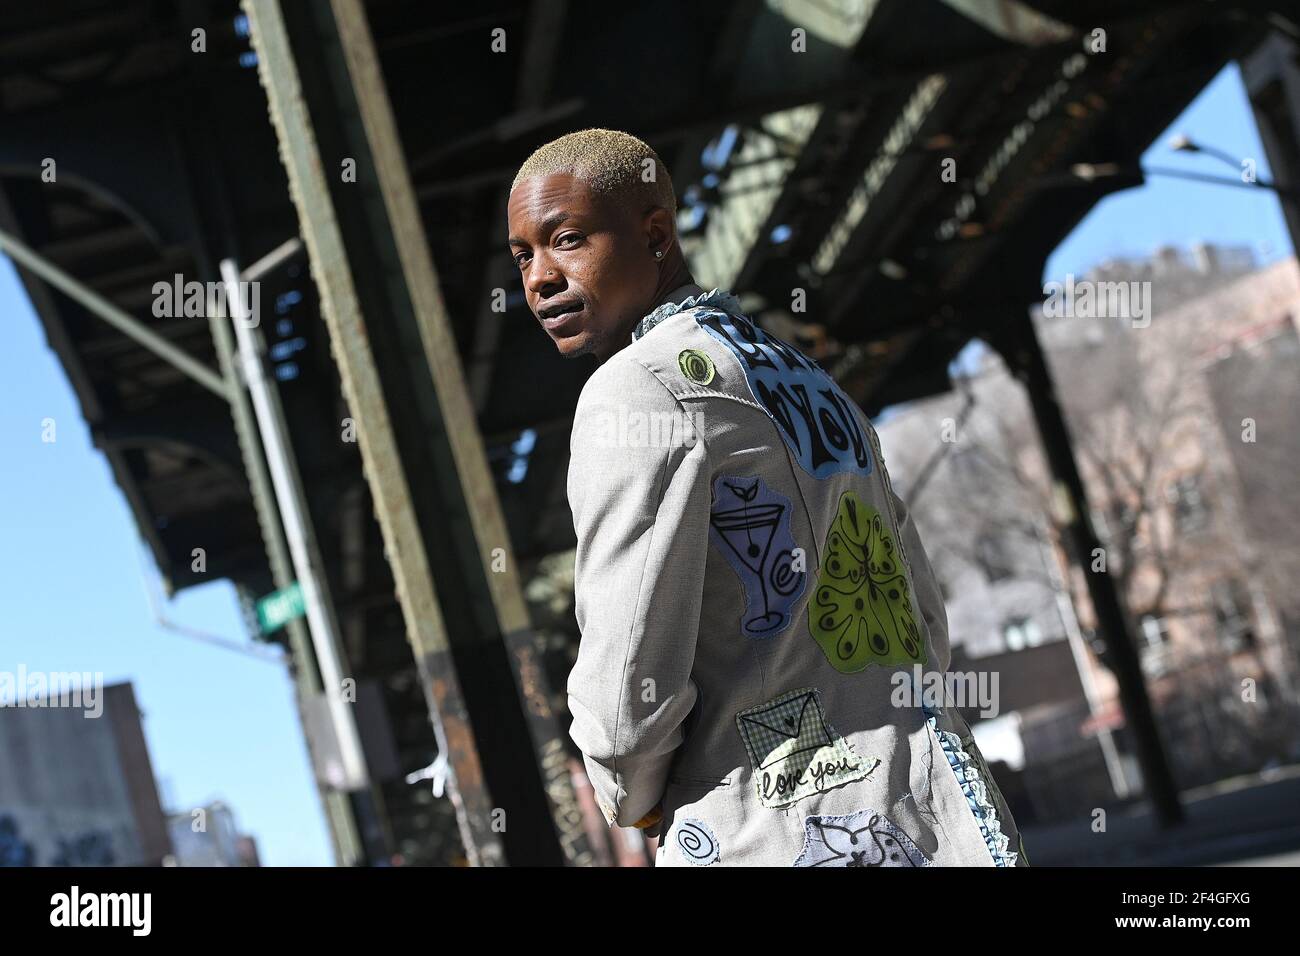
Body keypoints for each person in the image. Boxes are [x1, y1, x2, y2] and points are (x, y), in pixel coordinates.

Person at [506, 127, 1028, 867]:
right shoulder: (802, 376)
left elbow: (627, 692)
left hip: (779, 836)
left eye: (566, 240)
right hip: (937, 818)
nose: (539, 278)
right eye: (523, 256)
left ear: (656, 236)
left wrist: (633, 795)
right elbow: (923, 613)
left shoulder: (636, 391)